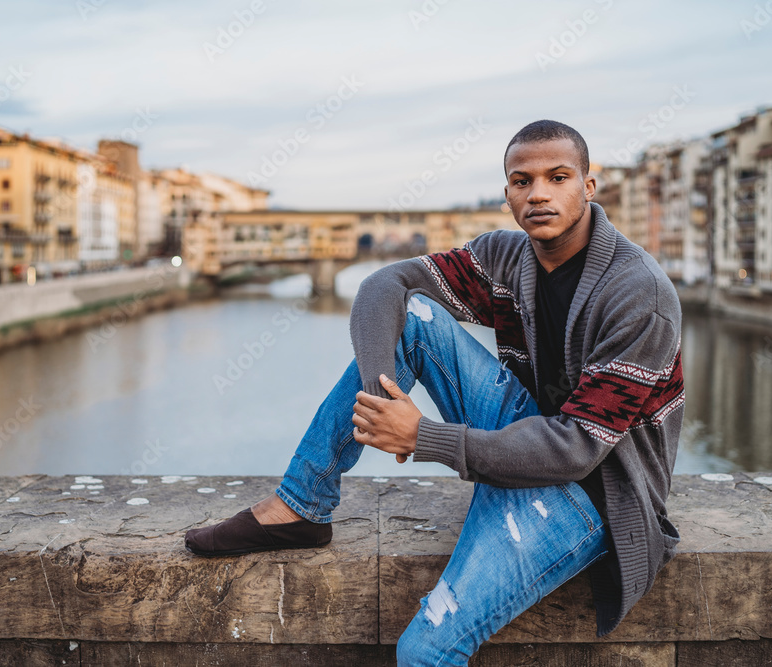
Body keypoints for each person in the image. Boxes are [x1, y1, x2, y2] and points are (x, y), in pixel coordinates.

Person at [186, 120, 684, 665]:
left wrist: (425, 437)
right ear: (508, 195)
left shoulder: (639, 294)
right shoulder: (506, 258)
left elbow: (576, 449)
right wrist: (386, 404)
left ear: (588, 187)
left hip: (596, 492)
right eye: (522, 181)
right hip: (522, 434)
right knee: (415, 313)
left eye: (558, 177)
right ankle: (302, 504)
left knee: (426, 647)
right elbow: (385, 285)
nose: (538, 193)